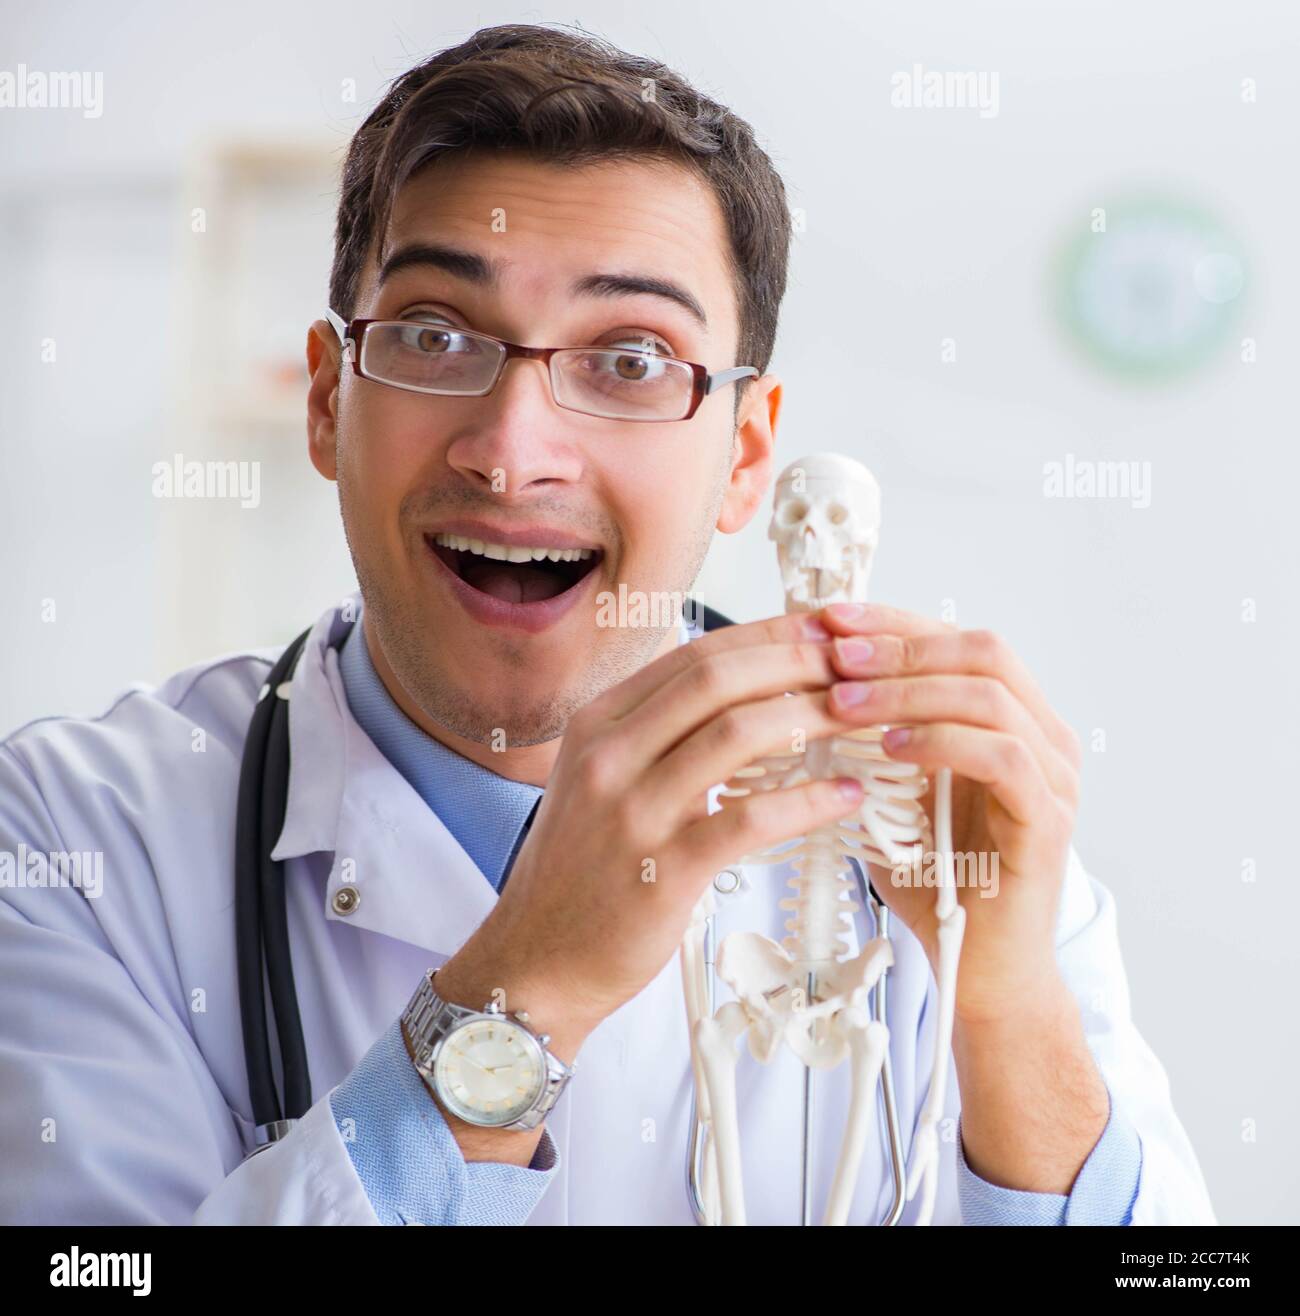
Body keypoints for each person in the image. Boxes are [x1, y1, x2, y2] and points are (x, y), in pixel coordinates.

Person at [0, 23, 1213, 1225]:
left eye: (632, 357)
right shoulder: (73, 836)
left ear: (744, 453)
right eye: (432, 337)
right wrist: (524, 987)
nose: (512, 451)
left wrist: (1002, 1004)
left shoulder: (942, 840)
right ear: (328, 401)